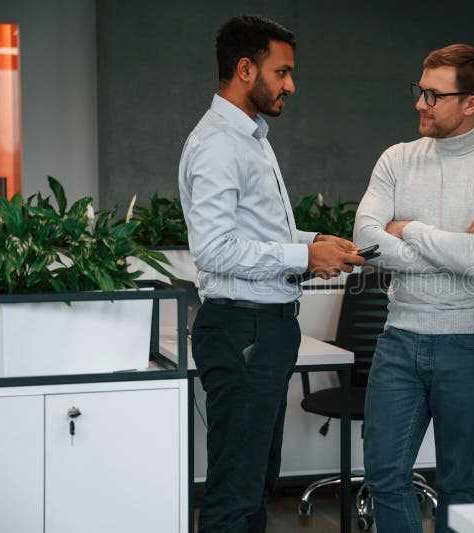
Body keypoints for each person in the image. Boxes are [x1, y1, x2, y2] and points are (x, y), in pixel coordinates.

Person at [178, 15, 364, 532]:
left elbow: (254, 231)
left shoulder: (252, 137)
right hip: (243, 331)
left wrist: (313, 242)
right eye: (282, 72)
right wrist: (304, 260)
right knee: (236, 491)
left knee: (256, 483)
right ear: (245, 69)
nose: (291, 85)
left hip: (262, 331)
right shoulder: (219, 144)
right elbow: (214, 249)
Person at [355, 44, 474, 532]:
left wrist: (405, 228)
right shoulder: (397, 159)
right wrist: (451, 246)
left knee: (459, 483)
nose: (419, 103)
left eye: (433, 94)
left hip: (466, 346)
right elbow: (365, 239)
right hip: (399, 339)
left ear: (471, 102)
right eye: (419, 90)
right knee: (384, 473)